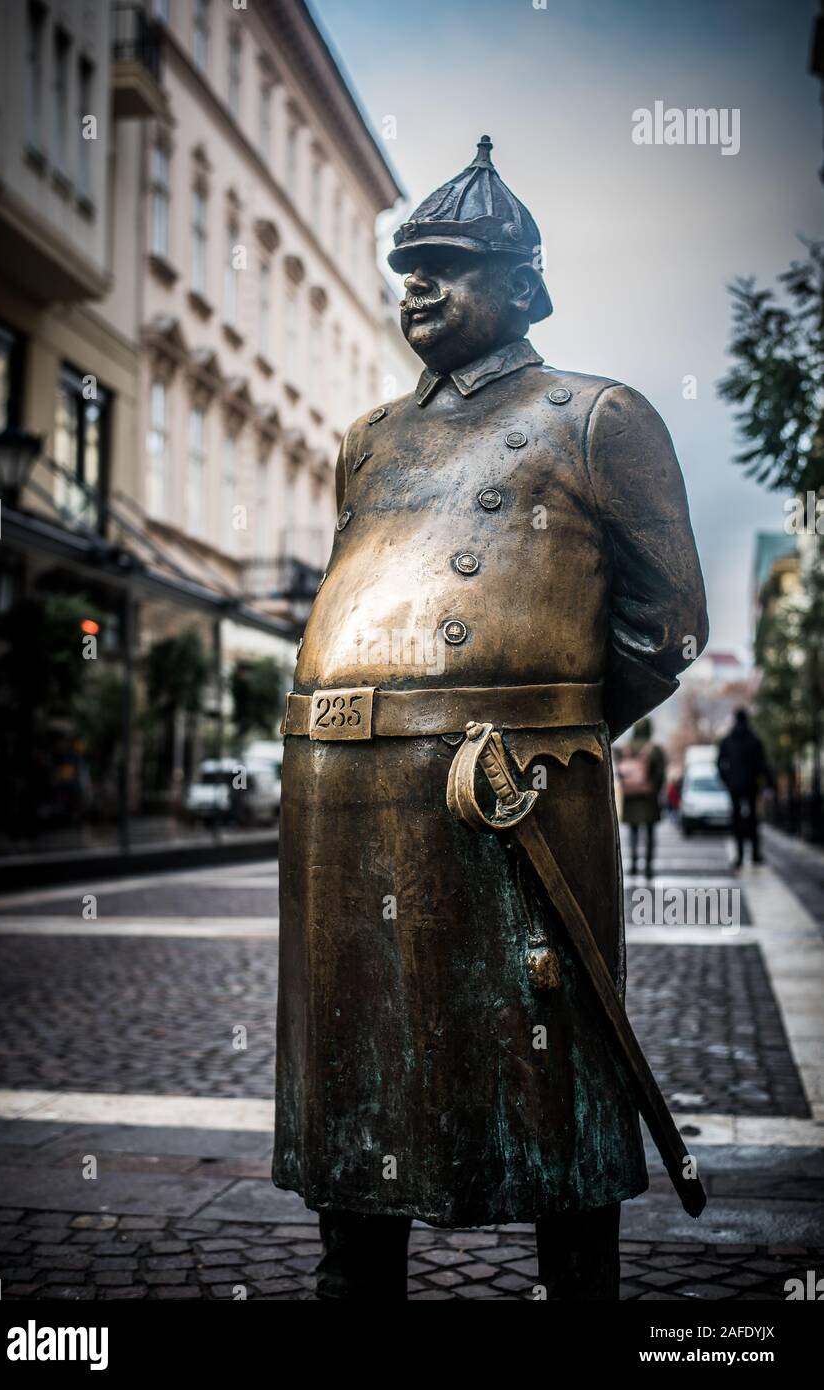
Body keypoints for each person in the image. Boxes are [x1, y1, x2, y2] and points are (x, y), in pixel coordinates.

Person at [273, 137, 708, 1300]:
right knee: (355, 1082)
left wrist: (534, 737)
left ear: (521, 286)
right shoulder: (369, 439)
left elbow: (664, 626)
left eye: (451, 262)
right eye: (408, 263)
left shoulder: (596, 415)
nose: (419, 283)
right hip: (339, 799)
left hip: (507, 801)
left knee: (548, 1083)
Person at [717, 709, 768, 867]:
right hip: (751, 785)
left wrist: (727, 780)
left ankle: (739, 856)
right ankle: (755, 854)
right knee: (753, 819)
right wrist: (765, 783)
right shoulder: (755, 740)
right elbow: (762, 765)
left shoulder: (727, 740)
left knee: (737, 820)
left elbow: (719, 763)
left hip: (735, 785)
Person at [619, 718, 666, 876]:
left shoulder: (626, 748)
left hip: (631, 798)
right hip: (649, 799)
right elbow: (660, 774)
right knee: (650, 834)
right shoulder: (654, 749)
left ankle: (633, 864)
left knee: (633, 833)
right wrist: (654, 788)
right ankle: (648, 866)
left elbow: (621, 772)